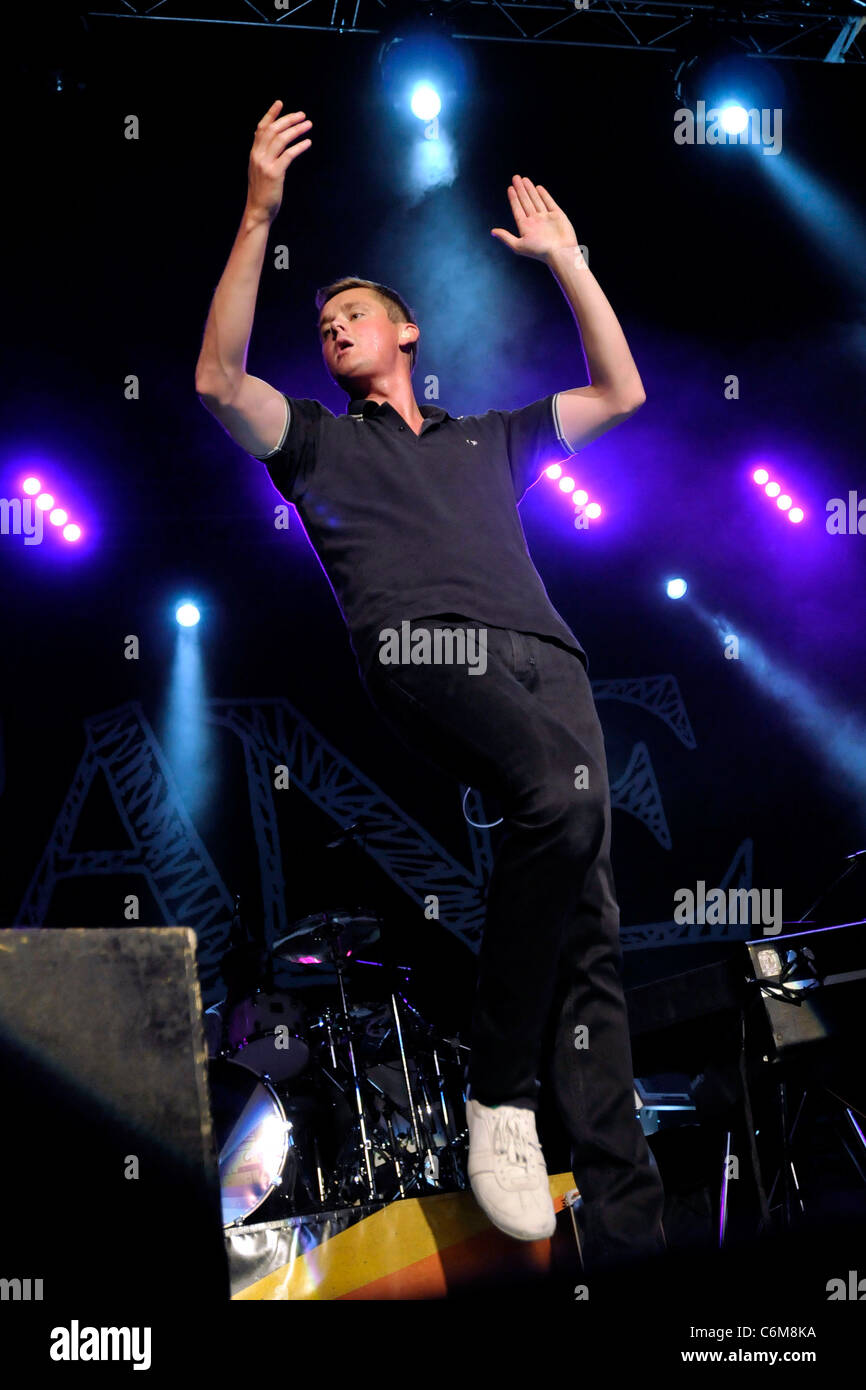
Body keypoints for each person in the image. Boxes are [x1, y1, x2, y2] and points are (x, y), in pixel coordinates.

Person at [195, 99, 666, 1272]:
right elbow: (212, 378)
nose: (332, 327)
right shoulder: (314, 441)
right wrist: (259, 212)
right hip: (421, 650)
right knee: (553, 810)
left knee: (591, 939)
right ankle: (496, 1088)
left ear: (406, 335)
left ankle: (627, 1236)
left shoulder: (487, 439)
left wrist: (568, 266)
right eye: (323, 322)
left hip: (547, 660)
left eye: (351, 312)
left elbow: (621, 396)